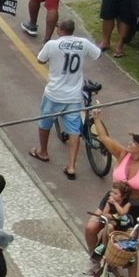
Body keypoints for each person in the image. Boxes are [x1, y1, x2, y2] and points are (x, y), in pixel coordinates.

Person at [32, 18, 98, 179]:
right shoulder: (83, 43)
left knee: (44, 123)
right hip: (74, 95)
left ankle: (43, 151)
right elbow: (97, 54)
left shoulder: (52, 45)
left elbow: (40, 60)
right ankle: (71, 166)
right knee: (74, 130)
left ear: (60, 29)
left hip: (54, 93)